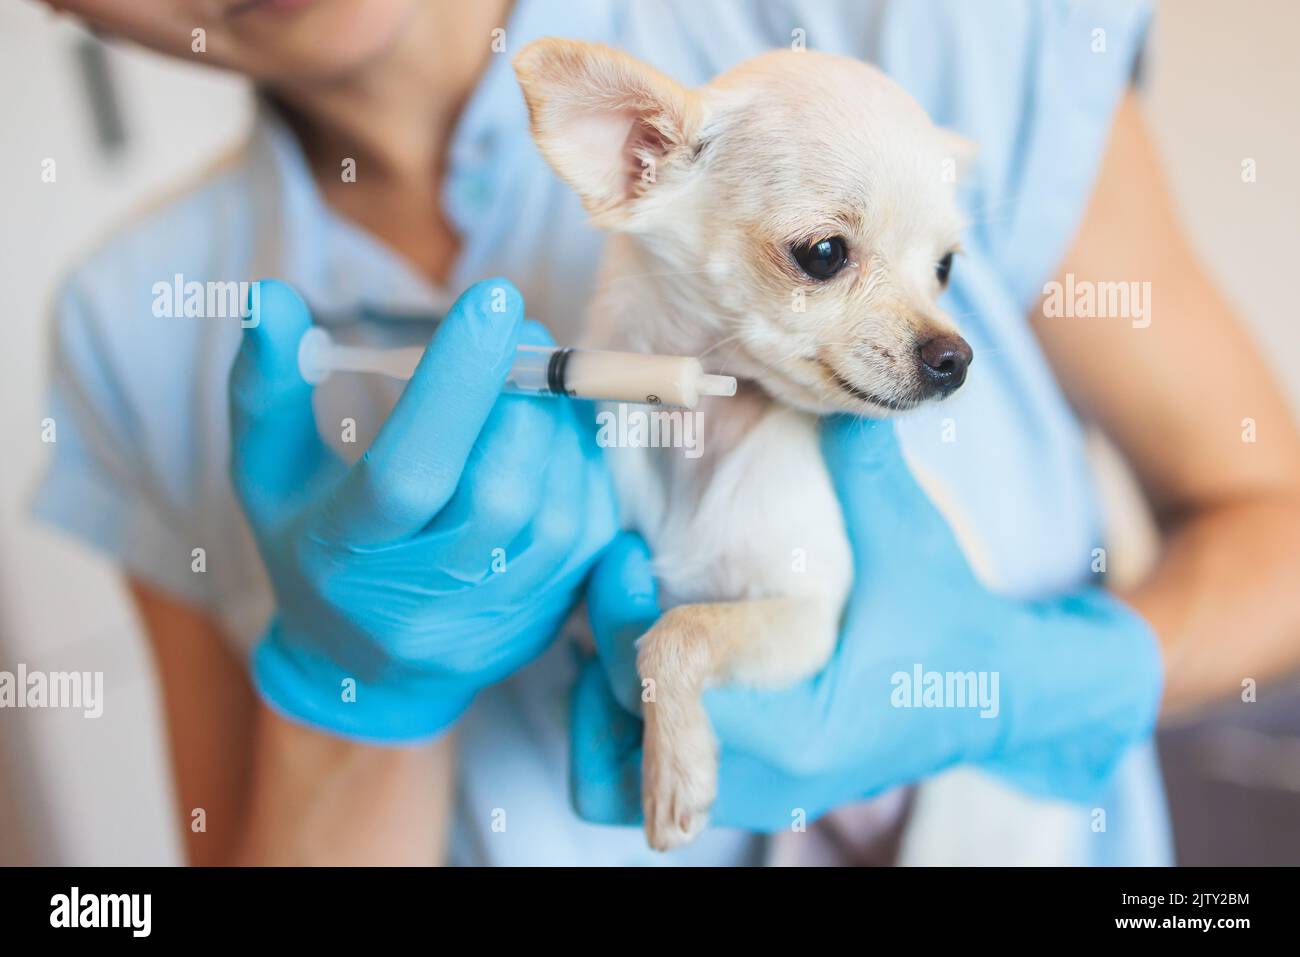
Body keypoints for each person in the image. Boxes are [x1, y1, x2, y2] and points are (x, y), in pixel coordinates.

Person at [34, 0, 1300, 866]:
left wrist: (1040, 682)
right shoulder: (128, 329)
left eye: (941, 271)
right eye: (820, 256)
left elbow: (1275, 515)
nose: (929, 334)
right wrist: (357, 692)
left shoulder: (924, 29)